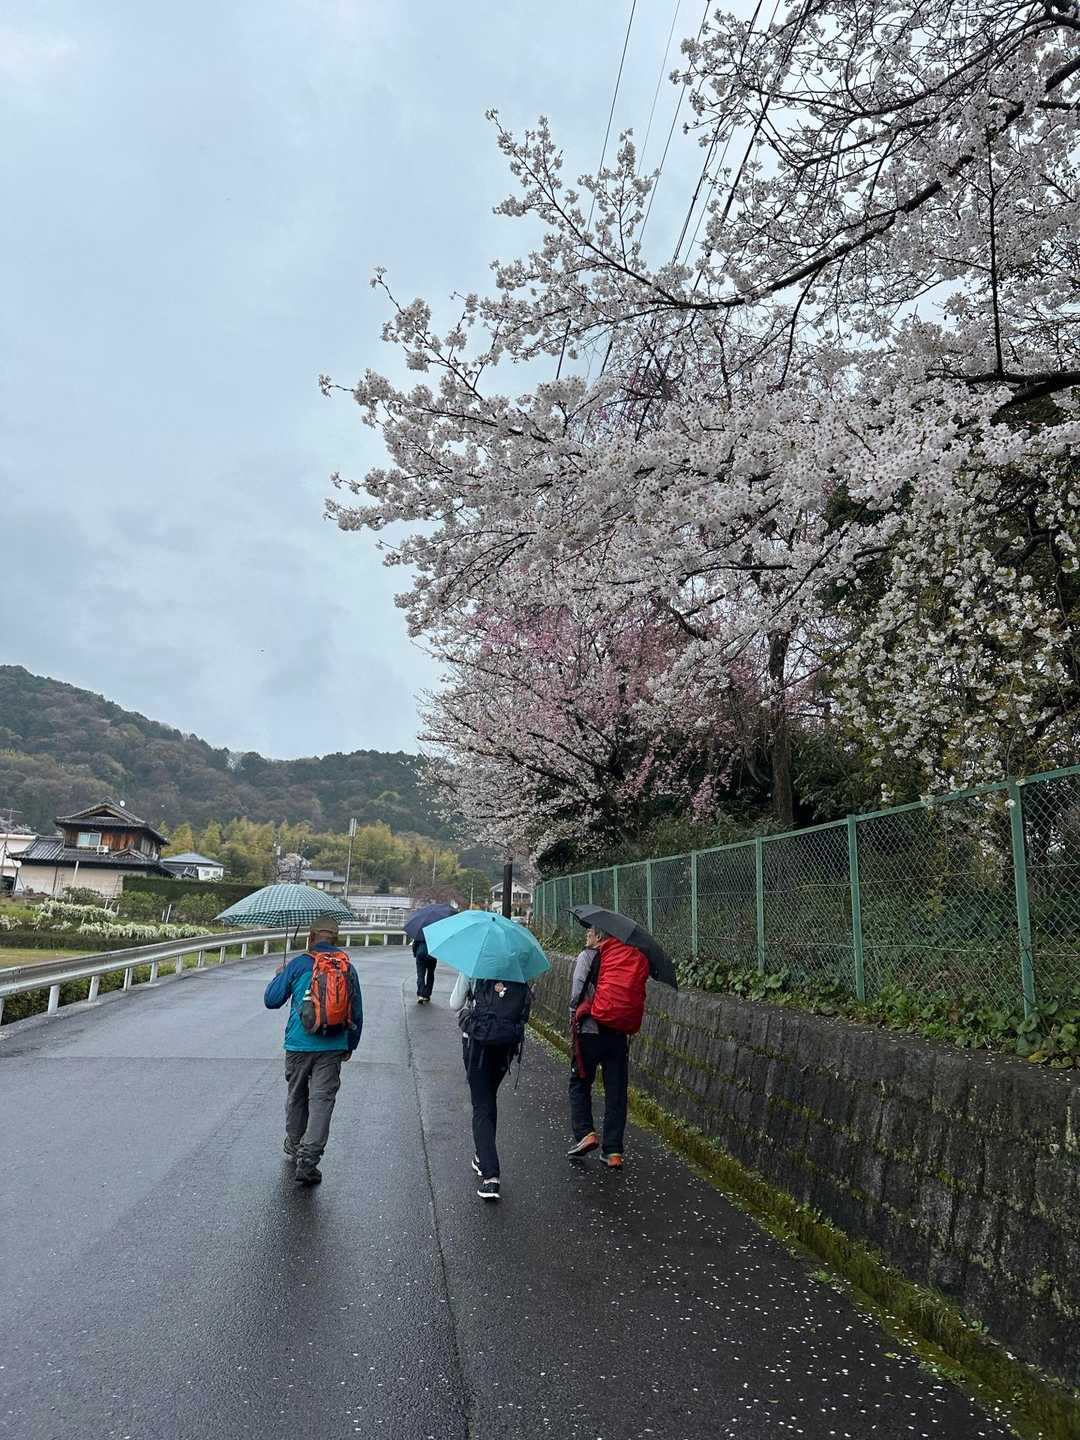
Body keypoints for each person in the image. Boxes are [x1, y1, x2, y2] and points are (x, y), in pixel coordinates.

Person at [263, 914, 363, 1186]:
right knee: (322, 1102)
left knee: (296, 1096)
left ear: (310, 936)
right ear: (336, 938)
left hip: (298, 1043)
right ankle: (309, 1160)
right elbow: (357, 1011)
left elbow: (271, 1001)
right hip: (332, 1045)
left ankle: (295, 1145)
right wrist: (350, 1045)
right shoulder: (346, 967)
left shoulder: (299, 964)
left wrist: (281, 975)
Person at [566, 925, 649, 1169]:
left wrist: (574, 1019)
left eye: (589, 932)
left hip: (590, 1032)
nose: (586, 935)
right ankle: (613, 1152)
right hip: (618, 1034)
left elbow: (575, 995)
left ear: (599, 935)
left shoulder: (587, 956)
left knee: (580, 1082)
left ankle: (585, 1133)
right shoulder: (626, 958)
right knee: (616, 1091)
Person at [451, 968, 531, 1201]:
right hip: (505, 1046)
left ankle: (490, 1175)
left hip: (477, 1045)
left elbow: (454, 1003)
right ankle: (481, 1154)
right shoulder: (519, 970)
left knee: (482, 1105)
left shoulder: (473, 966)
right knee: (488, 1099)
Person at [413, 929, 436, 1004]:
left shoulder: (420, 931)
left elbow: (415, 944)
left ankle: (420, 995)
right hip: (432, 955)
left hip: (420, 954)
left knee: (421, 975)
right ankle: (427, 995)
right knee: (430, 974)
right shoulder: (436, 930)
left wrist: (415, 953)